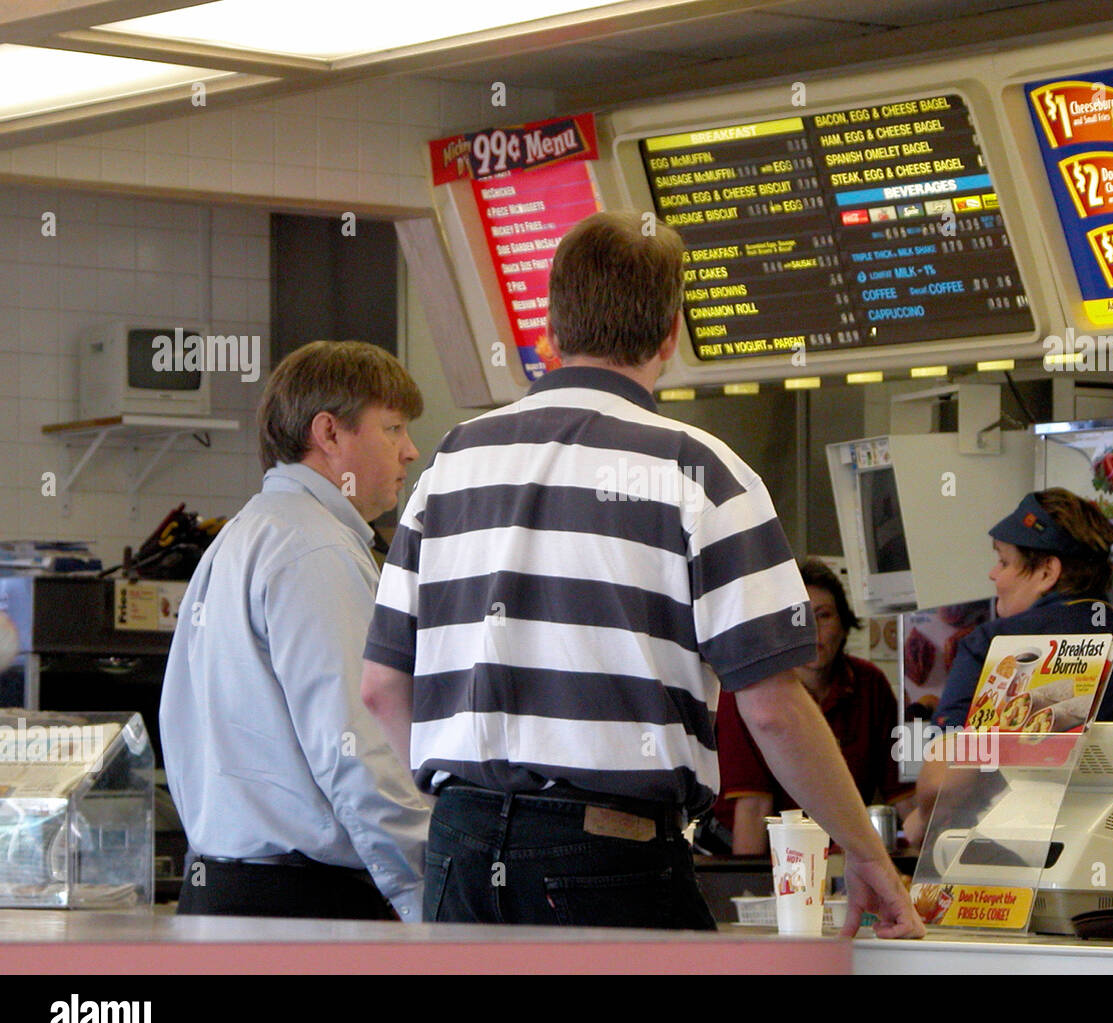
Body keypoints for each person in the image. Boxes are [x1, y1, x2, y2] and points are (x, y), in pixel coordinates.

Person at [360, 210, 923, 938]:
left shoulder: (450, 466)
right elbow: (774, 707)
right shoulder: (703, 473)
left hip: (458, 855)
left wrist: (475, 807)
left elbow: (380, 687)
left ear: (552, 332)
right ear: (670, 337)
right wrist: (867, 853)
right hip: (611, 860)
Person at [160, 340, 431, 920]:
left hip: (221, 890)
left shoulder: (242, 535)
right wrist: (423, 894)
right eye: (393, 428)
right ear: (329, 433)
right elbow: (356, 748)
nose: (410, 451)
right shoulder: (314, 549)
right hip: (304, 905)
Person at [903, 488, 1113, 847]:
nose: (994, 576)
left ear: (1047, 572)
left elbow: (943, 783)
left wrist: (923, 818)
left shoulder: (999, 650)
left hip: (1033, 876)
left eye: (1005, 562)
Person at [708, 558, 906, 856]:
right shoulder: (746, 690)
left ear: (844, 624)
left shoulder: (870, 685)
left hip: (843, 855)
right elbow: (752, 810)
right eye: (797, 617)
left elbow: (903, 796)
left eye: (823, 616)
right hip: (749, 854)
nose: (811, 630)